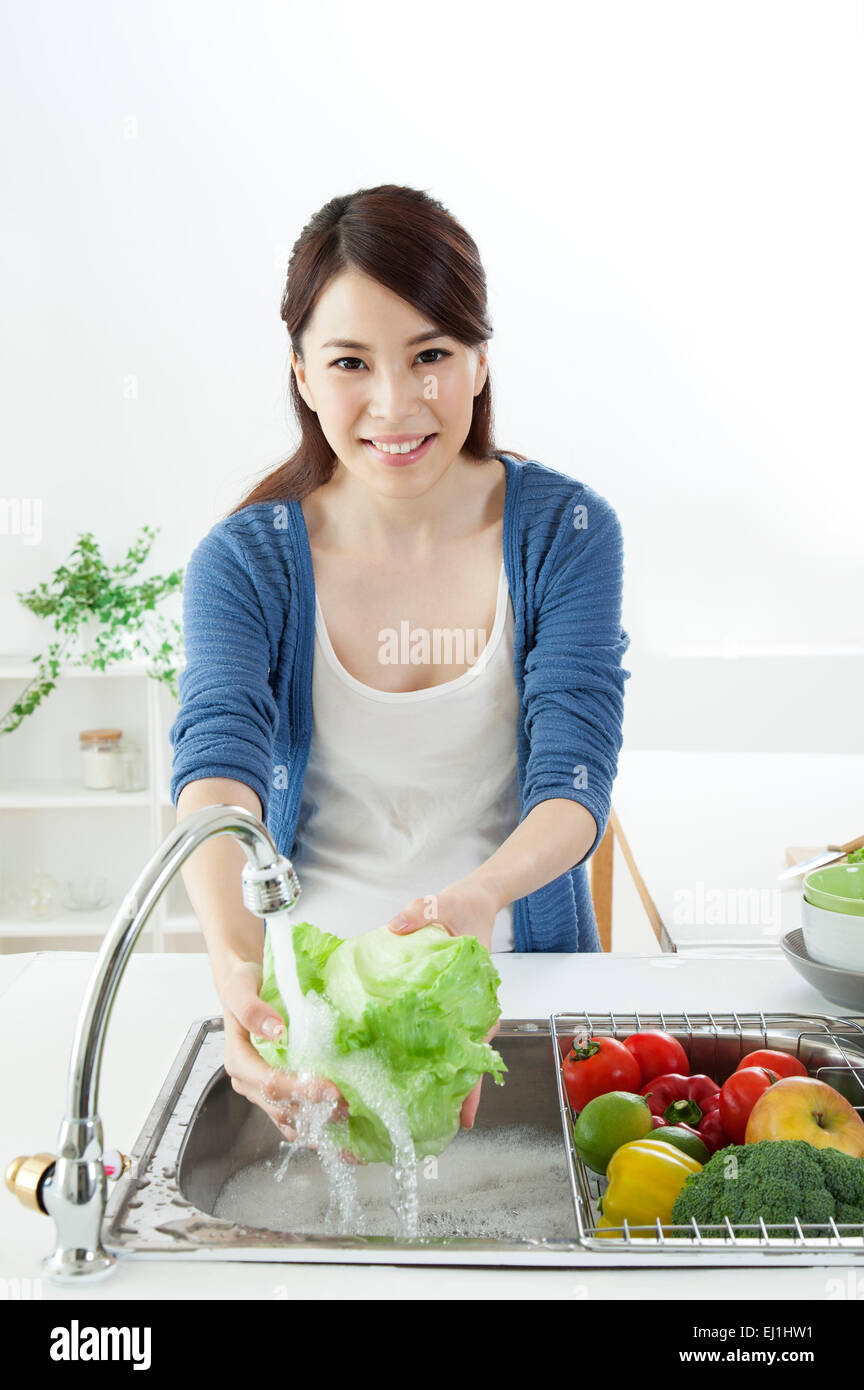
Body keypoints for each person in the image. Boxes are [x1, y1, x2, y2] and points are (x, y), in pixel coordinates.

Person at [170, 184, 631, 1151]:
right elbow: (218, 771)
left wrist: (481, 896)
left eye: (431, 355)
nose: (396, 404)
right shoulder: (245, 563)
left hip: (524, 986)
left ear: (479, 359)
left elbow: (576, 780)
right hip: (313, 1018)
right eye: (350, 362)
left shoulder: (567, 534)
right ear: (301, 372)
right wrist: (237, 976)